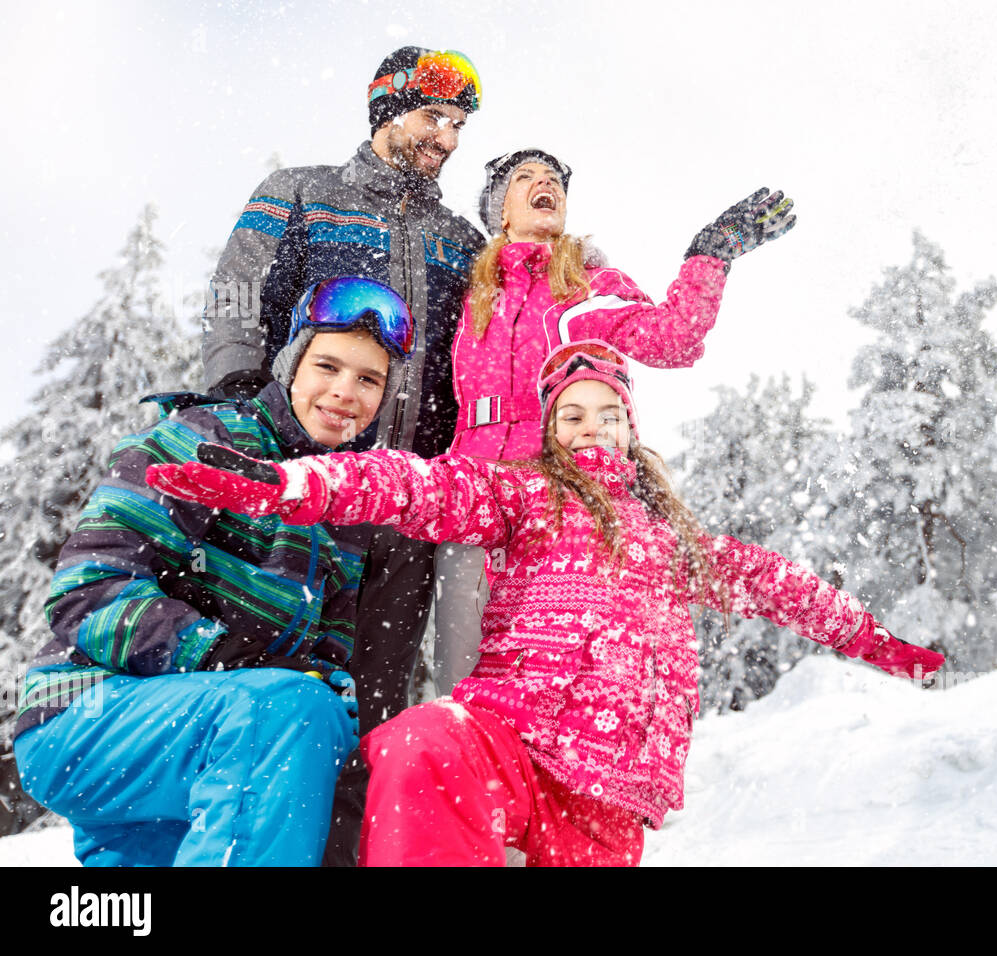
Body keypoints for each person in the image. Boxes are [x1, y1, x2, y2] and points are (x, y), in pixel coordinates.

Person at [146, 340, 945, 867]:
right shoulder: (522, 495)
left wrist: (880, 643)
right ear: (553, 434)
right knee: (421, 743)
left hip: (610, 795)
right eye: (572, 414)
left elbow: (786, 588)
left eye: (608, 413)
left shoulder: (680, 545)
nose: (591, 426)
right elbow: (414, 485)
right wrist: (294, 482)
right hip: (508, 745)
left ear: (631, 429)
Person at [14, 276, 415, 866]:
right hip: (91, 709)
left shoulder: (342, 512)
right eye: (327, 367)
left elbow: (325, 658)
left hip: (202, 742)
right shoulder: (208, 441)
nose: (343, 393)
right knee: (290, 712)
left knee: (321, 716)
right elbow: (88, 590)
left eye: (368, 380)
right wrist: (217, 651)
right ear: (292, 366)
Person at [200, 46, 485, 864]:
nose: (448, 139)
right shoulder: (299, 195)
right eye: (435, 117)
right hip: (302, 492)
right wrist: (238, 420)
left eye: (460, 126)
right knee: (279, 693)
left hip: (404, 510)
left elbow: (495, 341)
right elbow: (235, 297)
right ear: (387, 109)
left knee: (377, 711)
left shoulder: (459, 241)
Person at [429, 147, 797, 698]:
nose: (542, 183)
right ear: (498, 211)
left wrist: (709, 256)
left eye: (552, 178)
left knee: (549, 672)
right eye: (524, 178)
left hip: (560, 505)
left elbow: (675, 338)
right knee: (460, 673)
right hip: (471, 500)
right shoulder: (469, 293)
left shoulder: (589, 288)